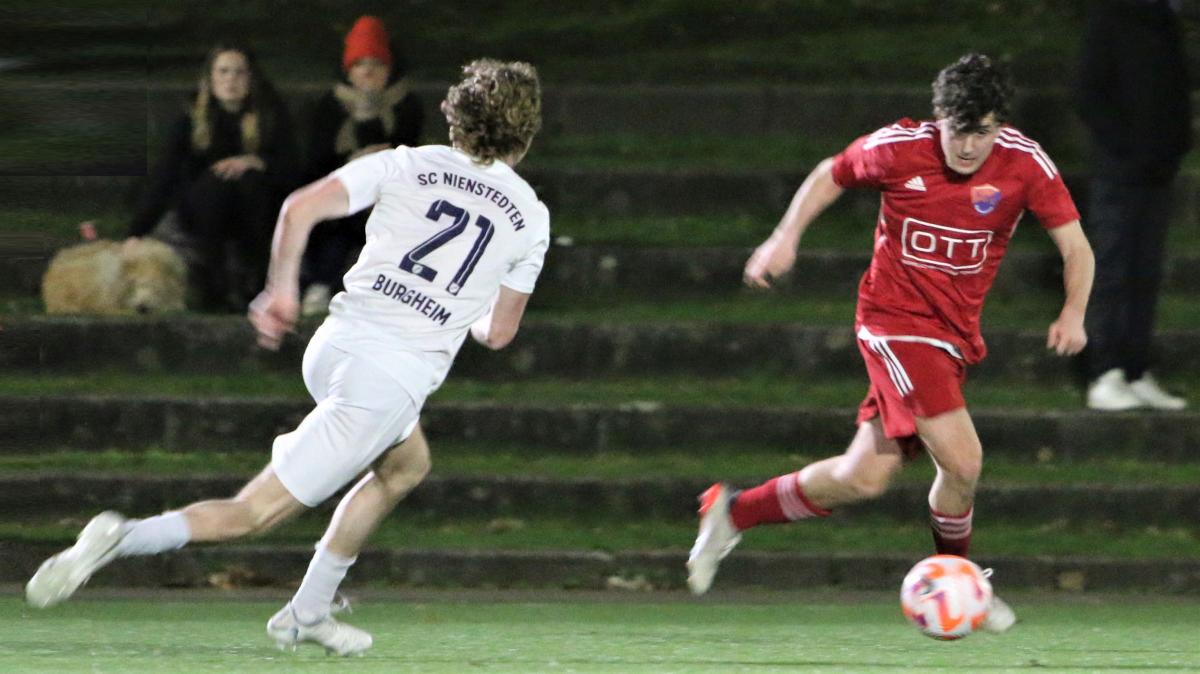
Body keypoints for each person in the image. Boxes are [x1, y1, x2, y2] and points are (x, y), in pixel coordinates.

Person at [26, 59, 548, 657]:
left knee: (406, 466)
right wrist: (466, 310)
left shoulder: (406, 160)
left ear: (456, 121)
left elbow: (300, 207)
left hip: (336, 344)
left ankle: (308, 611)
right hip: (387, 378)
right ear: (526, 134)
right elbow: (498, 333)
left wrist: (281, 290)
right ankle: (121, 538)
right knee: (253, 513)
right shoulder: (529, 216)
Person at [686, 54, 1095, 633]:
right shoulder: (900, 147)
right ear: (939, 118)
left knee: (863, 477)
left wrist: (1074, 311)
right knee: (964, 460)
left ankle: (732, 511)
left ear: (999, 125)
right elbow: (832, 172)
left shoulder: (1025, 163)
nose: (970, 146)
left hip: (953, 338)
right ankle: (958, 578)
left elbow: (1077, 247)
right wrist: (784, 239)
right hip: (893, 323)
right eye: (959, 130)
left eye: (983, 131)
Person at [1077, 0, 1191, 411]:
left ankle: (1135, 370)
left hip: (1157, 170)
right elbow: (1088, 92)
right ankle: (1104, 372)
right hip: (1120, 171)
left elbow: (1174, 89)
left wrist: (1175, 146)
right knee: (1112, 268)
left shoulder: (1164, 21)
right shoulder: (1110, 16)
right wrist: (1124, 150)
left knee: (1145, 271)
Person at [128, 43, 297, 312]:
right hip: (204, 209)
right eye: (223, 72)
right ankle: (215, 285)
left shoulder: (270, 115)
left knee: (250, 181)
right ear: (210, 78)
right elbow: (166, 173)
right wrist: (137, 229)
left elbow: (291, 168)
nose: (231, 80)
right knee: (216, 185)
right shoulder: (193, 118)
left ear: (251, 78)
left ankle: (255, 282)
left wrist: (256, 162)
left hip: (254, 207)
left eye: (239, 72)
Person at [301, 15, 425, 317]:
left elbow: (408, 154)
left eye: (377, 64)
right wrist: (352, 163)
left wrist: (371, 128)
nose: (368, 72)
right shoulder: (329, 107)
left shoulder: (407, 106)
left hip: (390, 191)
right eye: (360, 64)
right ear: (348, 70)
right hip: (341, 190)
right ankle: (320, 282)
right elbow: (317, 160)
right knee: (338, 214)